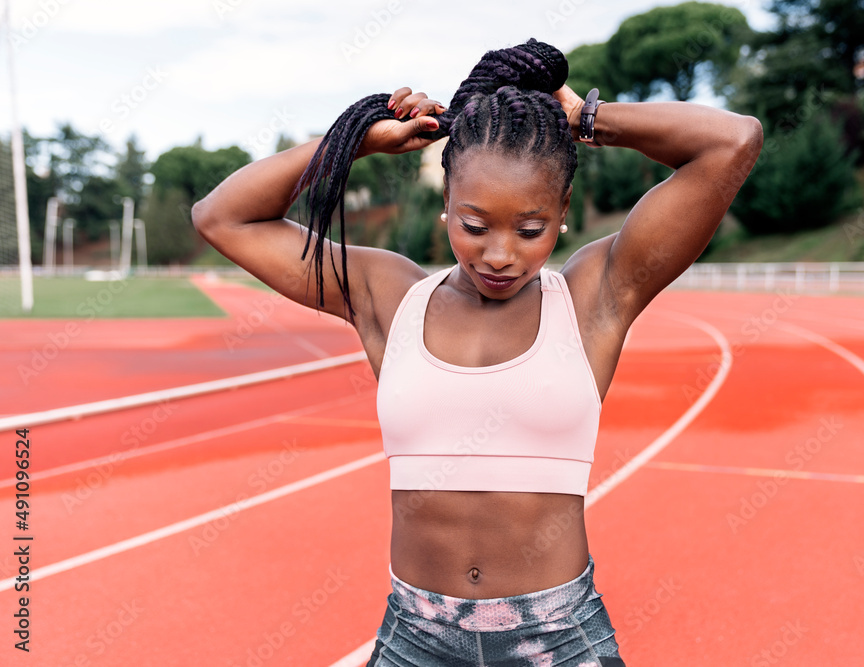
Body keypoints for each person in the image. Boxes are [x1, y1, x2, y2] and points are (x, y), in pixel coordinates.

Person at [193, 38, 761, 667]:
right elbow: (222, 218)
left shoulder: (594, 296)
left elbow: (732, 142)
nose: (499, 254)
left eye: (529, 230)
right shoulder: (388, 296)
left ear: (563, 212)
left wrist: (583, 118)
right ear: (445, 206)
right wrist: (359, 138)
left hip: (559, 641)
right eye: (474, 225)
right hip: (415, 638)